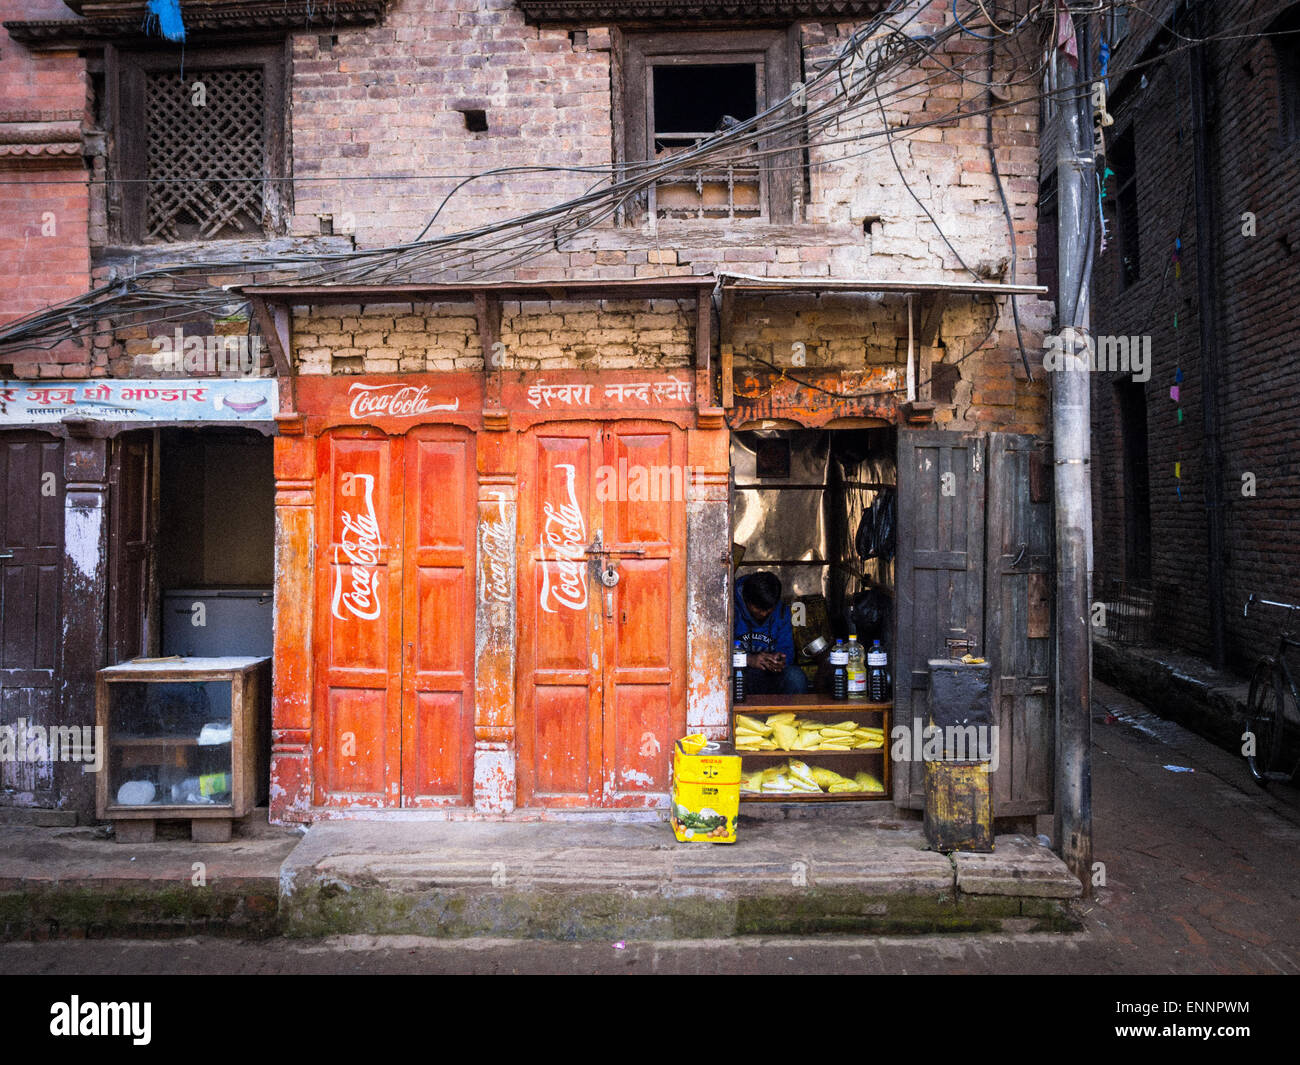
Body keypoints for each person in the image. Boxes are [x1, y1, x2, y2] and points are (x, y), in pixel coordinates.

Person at [734, 571, 809, 695]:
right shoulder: (729, 608)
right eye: (758, 609)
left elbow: (787, 651)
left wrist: (778, 661)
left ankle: (791, 715)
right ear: (746, 600)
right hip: (739, 674)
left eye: (768, 610)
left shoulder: (782, 613)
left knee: (796, 677)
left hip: (769, 675)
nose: (763, 614)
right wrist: (748, 659)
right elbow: (717, 655)